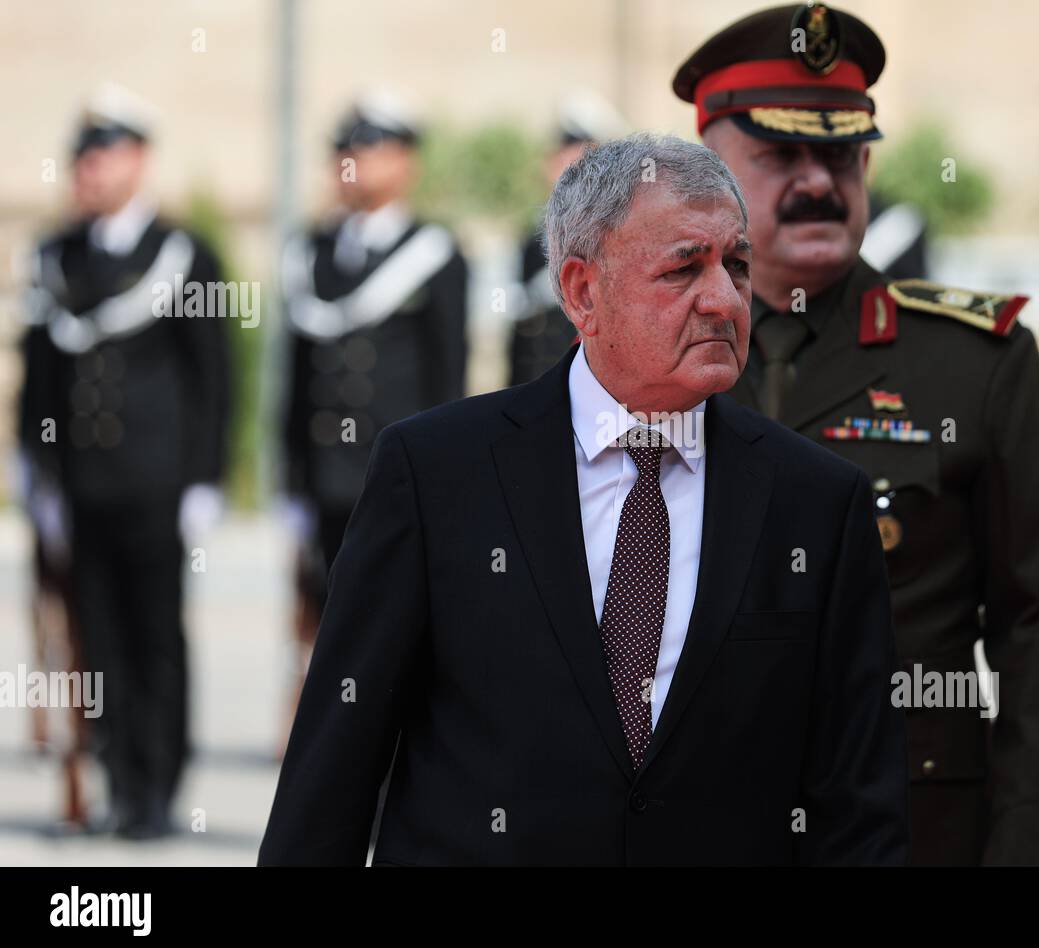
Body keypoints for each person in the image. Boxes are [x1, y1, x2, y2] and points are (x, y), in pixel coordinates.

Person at [259, 134, 908, 866]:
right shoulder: (436, 473)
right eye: (683, 268)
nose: (724, 299)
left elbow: (859, 806)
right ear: (582, 291)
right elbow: (334, 770)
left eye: (735, 264)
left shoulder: (817, 501)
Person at [673, 3, 1039, 864]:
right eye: (780, 154)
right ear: (706, 175)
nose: (818, 182)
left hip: (913, 833)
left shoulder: (974, 364)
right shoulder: (639, 356)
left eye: (839, 155)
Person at [17, 84, 231, 838]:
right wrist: (33, 468)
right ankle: (114, 778)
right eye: (82, 158)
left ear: (138, 159)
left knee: (155, 637)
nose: (89, 172)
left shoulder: (182, 254)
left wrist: (205, 476)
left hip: (155, 481)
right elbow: (40, 371)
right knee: (95, 640)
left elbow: (211, 374)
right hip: (81, 483)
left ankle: (158, 788)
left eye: (104, 155)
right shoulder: (55, 253)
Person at [278, 92, 469, 749]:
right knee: (337, 631)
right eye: (344, 151)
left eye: (368, 150)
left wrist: (445, 480)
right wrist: (291, 477)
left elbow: (448, 377)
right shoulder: (313, 252)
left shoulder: (435, 253)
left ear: (405, 162)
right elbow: (297, 380)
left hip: (399, 479)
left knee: (403, 631)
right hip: (329, 480)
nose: (351, 164)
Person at [507, 92, 625, 386]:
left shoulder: (619, 238)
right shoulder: (533, 238)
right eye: (559, 154)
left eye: (578, 154)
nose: (563, 164)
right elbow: (520, 339)